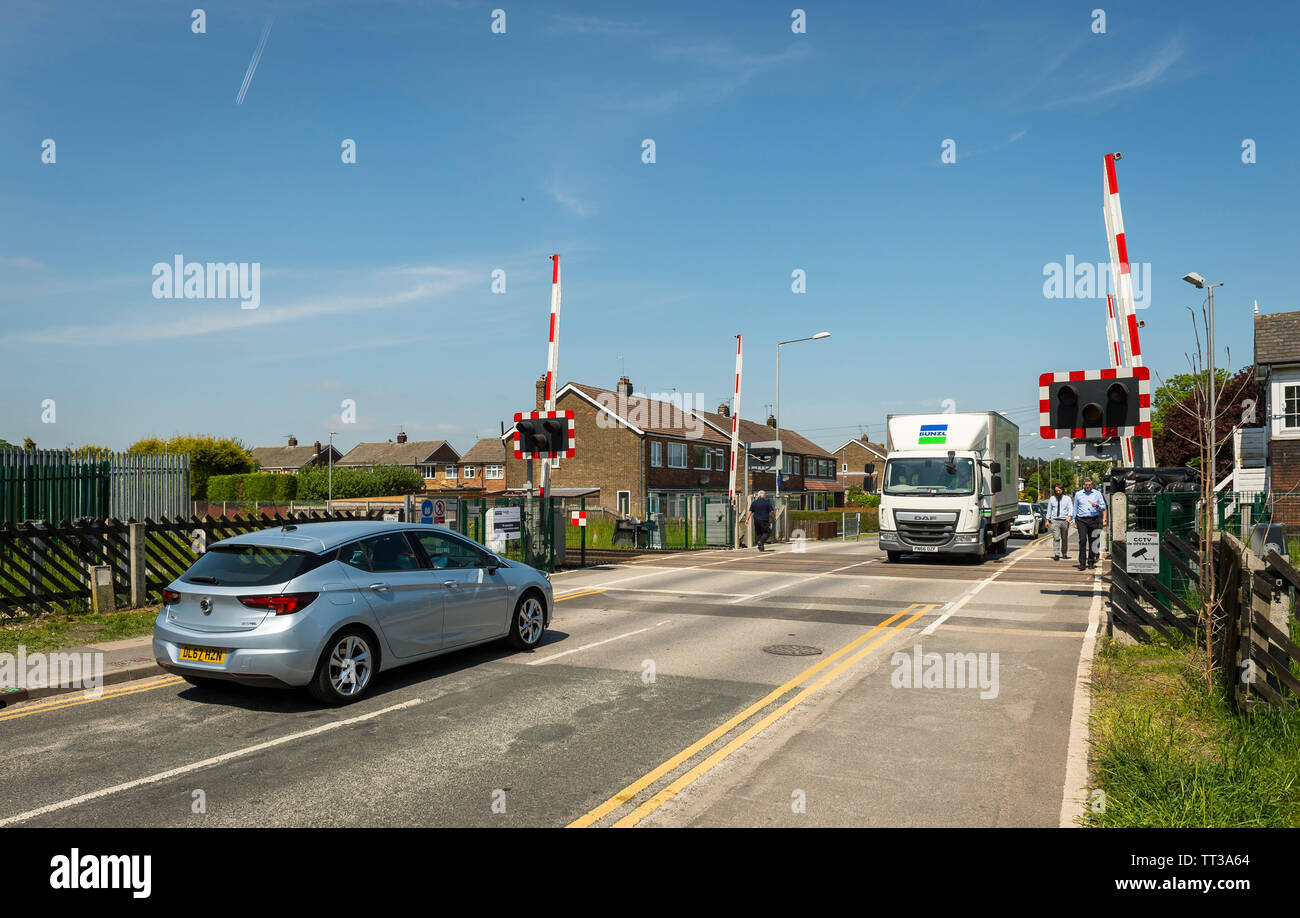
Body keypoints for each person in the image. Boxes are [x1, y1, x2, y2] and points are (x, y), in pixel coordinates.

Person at [1073, 477, 1107, 569]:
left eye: (1089, 485)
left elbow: (1103, 507)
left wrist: (1097, 506)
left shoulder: (1097, 494)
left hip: (1093, 519)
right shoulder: (1078, 494)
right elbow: (1075, 508)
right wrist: (1074, 521)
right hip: (1081, 520)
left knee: (1093, 541)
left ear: (1092, 485)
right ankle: (1082, 563)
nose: (1087, 487)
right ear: (1083, 485)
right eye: (1086, 485)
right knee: (1082, 540)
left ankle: (1091, 561)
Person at [1046, 484, 1073, 561]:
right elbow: (1049, 509)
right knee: (1056, 538)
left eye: (1059, 490)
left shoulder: (1067, 499)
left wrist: (1069, 516)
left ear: (1062, 490)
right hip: (1054, 521)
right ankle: (1057, 554)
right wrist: (1047, 520)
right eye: (1056, 491)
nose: (1058, 492)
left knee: (1064, 538)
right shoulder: (1052, 499)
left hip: (1064, 520)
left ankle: (1064, 553)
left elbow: (1071, 508)